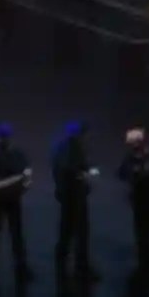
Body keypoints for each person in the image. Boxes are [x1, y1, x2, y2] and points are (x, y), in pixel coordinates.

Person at [0, 123, 33, 283]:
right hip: (6, 199)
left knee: (1, 235)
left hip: (4, 199)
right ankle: (17, 267)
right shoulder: (3, 154)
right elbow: (25, 173)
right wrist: (22, 187)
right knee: (10, 234)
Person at [117, 127, 149, 281]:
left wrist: (148, 176)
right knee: (143, 237)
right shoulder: (130, 159)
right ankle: (144, 268)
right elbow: (121, 173)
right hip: (141, 203)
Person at [51, 120, 100, 282]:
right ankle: (81, 267)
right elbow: (75, 170)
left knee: (66, 230)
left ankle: (62, 265)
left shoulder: (61, 149)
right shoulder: (74, 150)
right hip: (75, 196)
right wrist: (86, 174)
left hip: (67, 195)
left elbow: (60, 171)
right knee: (80, 231)